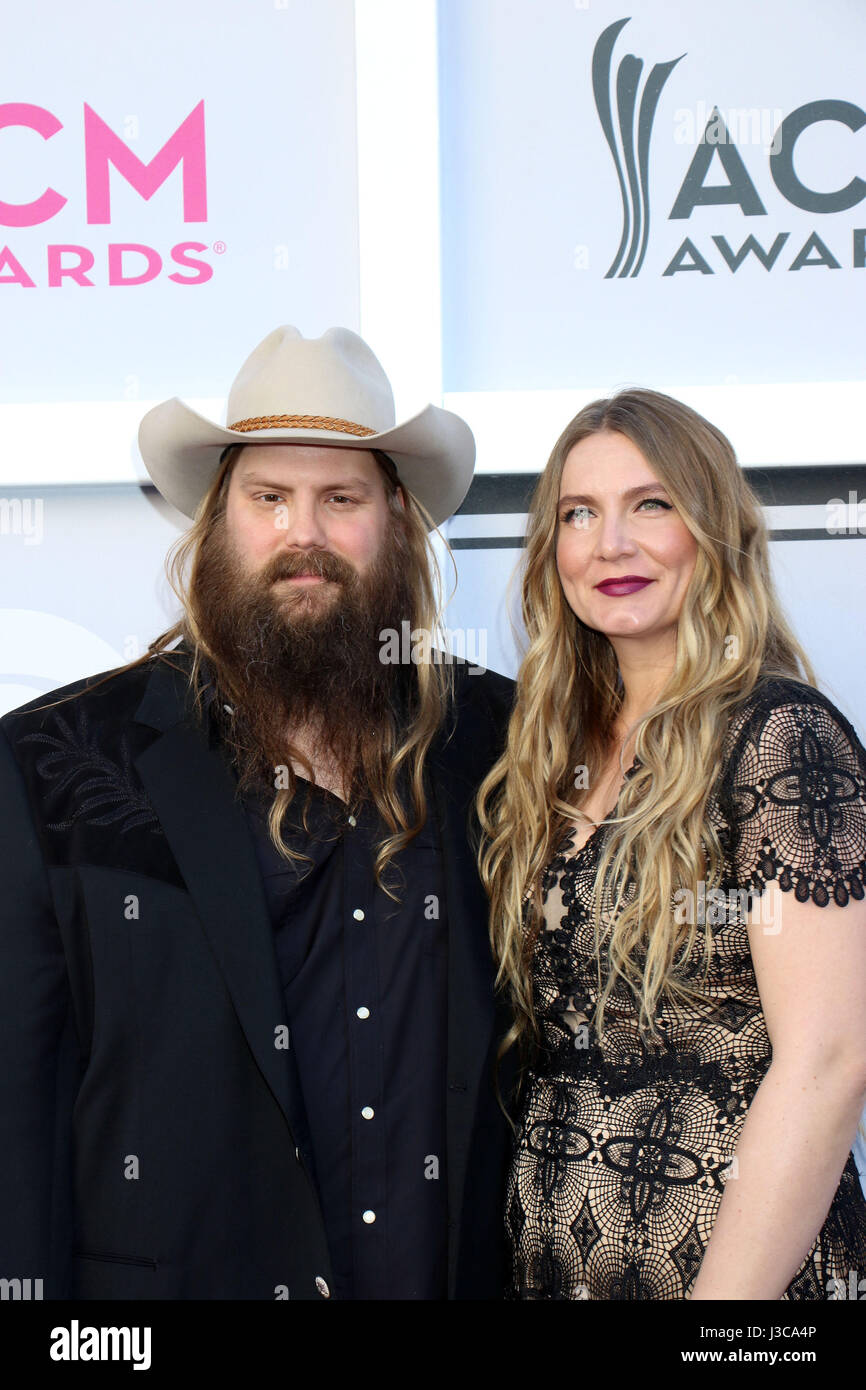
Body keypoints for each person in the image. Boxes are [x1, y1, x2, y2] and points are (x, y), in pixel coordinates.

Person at [0, 324, 515, 1300]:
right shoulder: (54, 763)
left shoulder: (500, 744)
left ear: (398, 521)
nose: (302, 534)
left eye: (340, 499)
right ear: (215, 522)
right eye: (268, 498)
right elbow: (15, 1119)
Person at [477, 387, 866, 1300]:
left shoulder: (780, 738)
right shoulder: (550, 753)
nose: (612, 543)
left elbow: (831, 1062)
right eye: (581, 513)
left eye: (651, 504)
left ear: (714, 529)